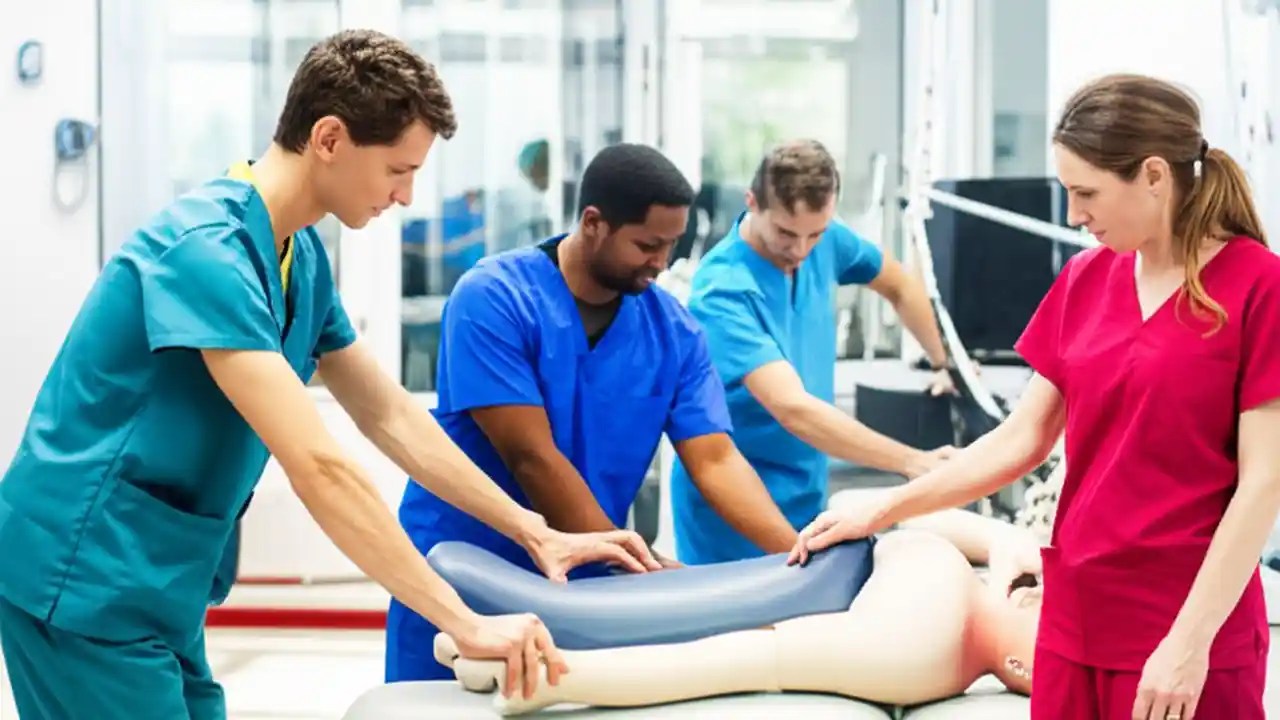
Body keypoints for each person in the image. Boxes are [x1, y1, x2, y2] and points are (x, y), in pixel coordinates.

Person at [0, 30, 656, 720]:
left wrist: (532, 529)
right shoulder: (204, 252)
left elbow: (391, 415)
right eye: (397, 170)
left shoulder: (299, 256)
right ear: (331, 139)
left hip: (158, 581)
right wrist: (461, 620)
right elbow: (318, 464)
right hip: (82, 576)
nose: (406, 196)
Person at [791, 73, 1280, 720]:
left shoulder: (1258, 286)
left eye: (1087, 193)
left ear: (1155, 176)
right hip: (1076, 616)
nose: (1076, 214)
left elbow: (1264, 481)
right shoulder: (1084, 279)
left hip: (1187, 626)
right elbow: (1021, 440)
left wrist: (1188, 644)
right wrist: (883, 509)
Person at [387, 143, 804, 683]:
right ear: (594, 224)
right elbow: (531, 457)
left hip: (587, 583)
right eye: (647, 245)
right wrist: (643, 573)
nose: (662, 262)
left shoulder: (673, 333)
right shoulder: (494, 298)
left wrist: (798, 556)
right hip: (464, 571)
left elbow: (716, 462)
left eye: (672, 245)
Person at [430, 494, 1047, 716]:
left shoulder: (921, 647)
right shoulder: (984, 580)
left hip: (750, 598)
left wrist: (558, 678)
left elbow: (738, 659)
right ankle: (480, 649)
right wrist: (1002, 539)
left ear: (1022, 672)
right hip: (776, 574)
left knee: (609, 619)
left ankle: (495, 650)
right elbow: (863, 504)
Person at [671, 138, 957, 566]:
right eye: (786, 233)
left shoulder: (825, 241)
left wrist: (945, 363)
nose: (801, 250)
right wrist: (912, 462)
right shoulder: (722, 290)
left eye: (815, 234)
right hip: (737, 509)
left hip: (807, 491)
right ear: (752, 203)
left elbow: (898, 283)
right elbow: (792, 408)